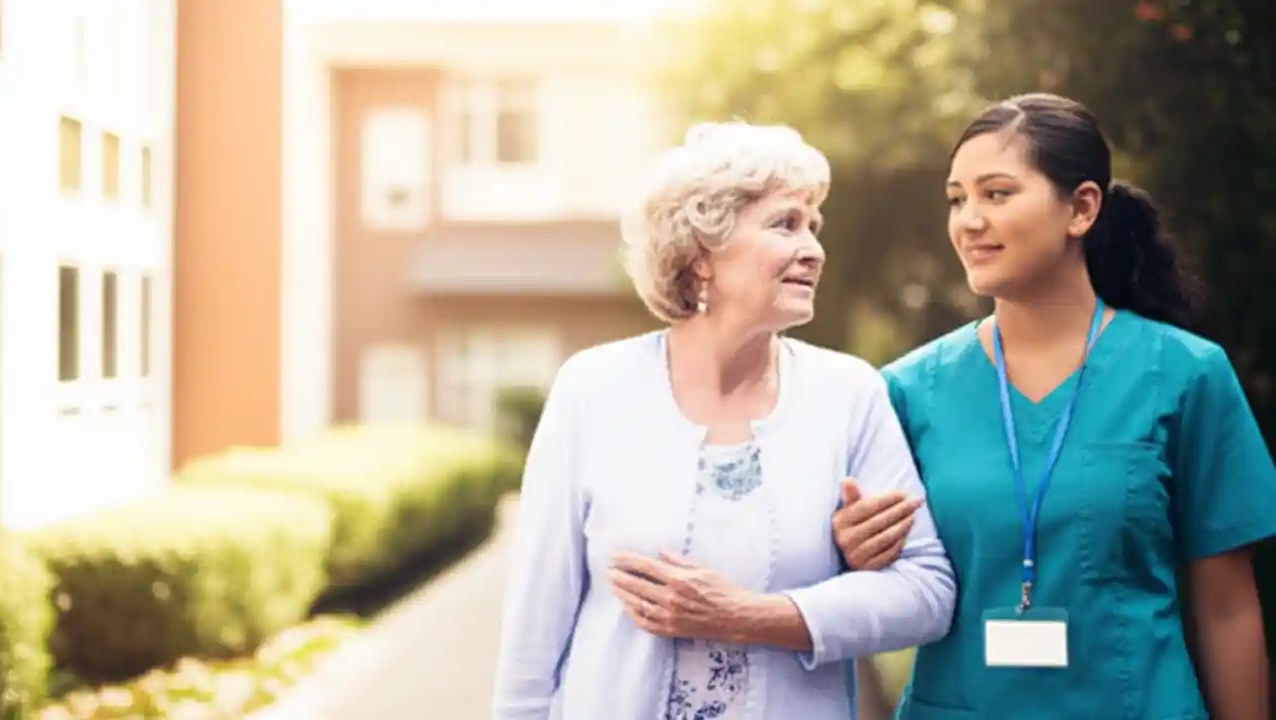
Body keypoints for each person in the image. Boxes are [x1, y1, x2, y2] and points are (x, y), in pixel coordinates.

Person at [491, 122, 957, 719]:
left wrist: (747, 616)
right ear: (700, 255)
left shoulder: (848, 393)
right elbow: (535, 625)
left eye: (813, 227)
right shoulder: (594, 389)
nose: (813, 249)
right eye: (785, 223)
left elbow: (925, 593)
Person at [832, 93, 1276, 719]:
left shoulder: (1184, 374)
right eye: (957, 199)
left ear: (1082, 207)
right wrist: (850, 553)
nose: (969, 220)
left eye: (997, 193)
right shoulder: (904, 391)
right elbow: (866, 597)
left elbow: (1227, 607)